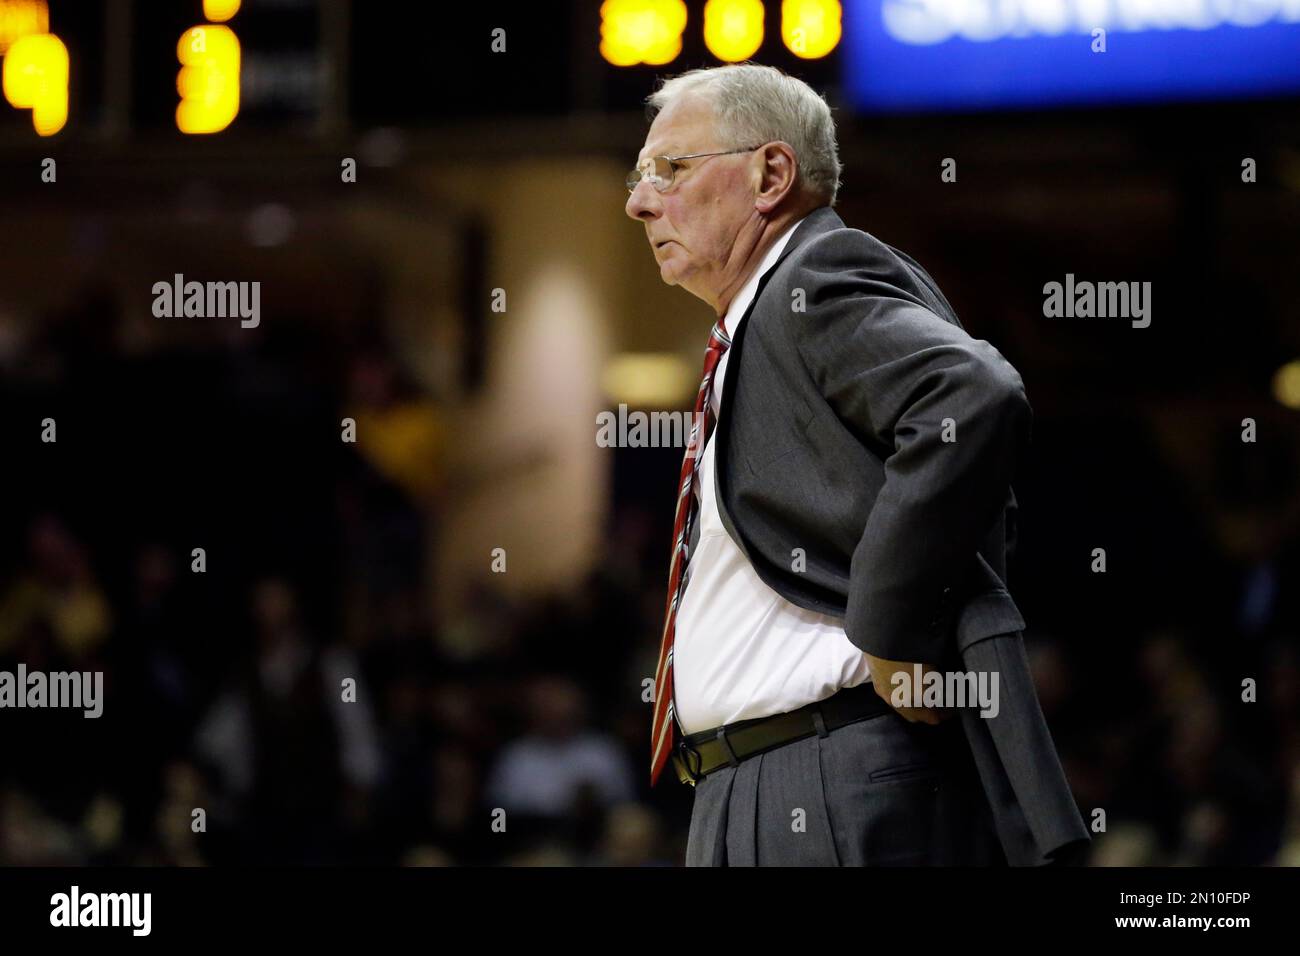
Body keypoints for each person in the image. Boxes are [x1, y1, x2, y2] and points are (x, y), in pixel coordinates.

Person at [625, 63, 1088, 866]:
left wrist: (888, 626)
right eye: (639, 176)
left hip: (829, 773)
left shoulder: (813, 274)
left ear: (771, 173)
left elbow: (971, 395)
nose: (639, 201)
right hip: (751, 784)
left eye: (670, 168)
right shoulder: (757, 321)